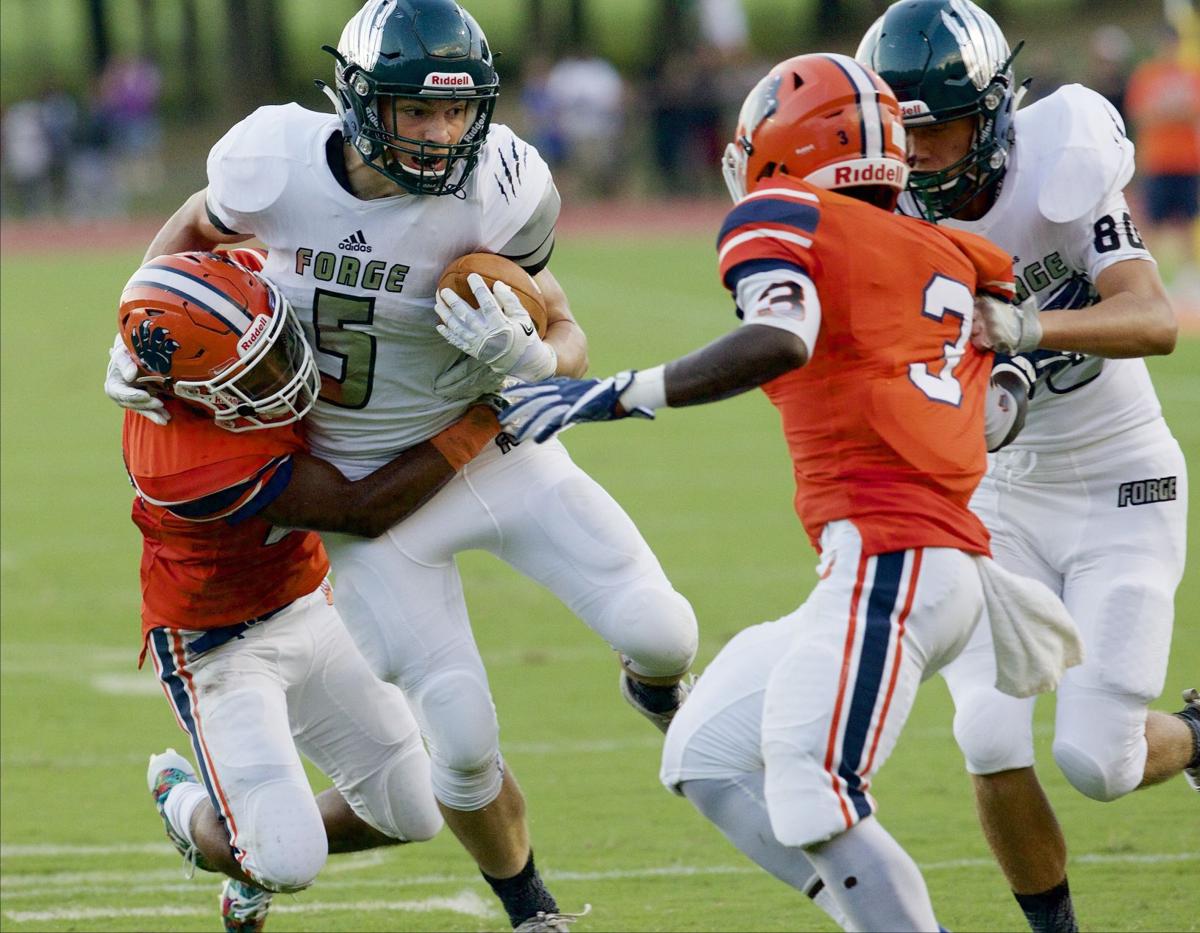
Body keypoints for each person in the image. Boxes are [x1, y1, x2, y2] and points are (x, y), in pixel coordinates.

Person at [103, 2, 698, 929]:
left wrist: (543, 361)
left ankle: (655, 687)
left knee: (663, 628)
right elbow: (190, 230)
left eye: (457, 111)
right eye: (416, 109)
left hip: (500, 453)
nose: (441, 133)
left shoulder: (504, 186)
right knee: (456, 734)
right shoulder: (273, 161)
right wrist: (143, 327)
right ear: (356, 102)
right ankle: (532, 909)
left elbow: (561, 322)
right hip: (377, 485)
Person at [497, 52, 1078, 932]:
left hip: (894, 553)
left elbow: (782, 335)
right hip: (903, 560)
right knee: (706, 751)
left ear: (785, 145)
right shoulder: (952, 251)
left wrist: (618, 392)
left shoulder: (784, 213)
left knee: (815, 786)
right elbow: (999, 412)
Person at [857, 2, 1200, 931]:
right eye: (901, 133)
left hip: (1121, 479)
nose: (918, 153)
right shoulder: (887, 211)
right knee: (987, 733)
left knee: (1099, 763)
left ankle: (1199, 735)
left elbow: (1154, 317)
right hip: (1000, 496)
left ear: (993, 113)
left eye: (938, 129)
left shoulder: (1061, 163)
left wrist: (1028, 328)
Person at [120, 249, 513, 931]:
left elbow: (202, 213)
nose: (285, 377)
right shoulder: (183, 461)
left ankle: (262, 831)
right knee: (285, 861)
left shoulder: (238, 283)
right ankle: (190, 811)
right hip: (216, 647)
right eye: (254, 375)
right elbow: (360, 508)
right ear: (189, 390)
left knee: (413, 810)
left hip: (307, 600)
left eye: (277, 349)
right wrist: (484, 418)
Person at [1125, 22, 1200, 308]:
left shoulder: (1190, 74)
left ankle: (1189, 279)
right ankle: (1149, 278)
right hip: (1157, 160)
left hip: (1186, 160)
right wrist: (1174, 112)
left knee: (1186, 222)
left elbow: (1192, 111)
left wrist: (1167, 113)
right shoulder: (1146, 75)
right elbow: (1141, 115)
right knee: (1152, 223)